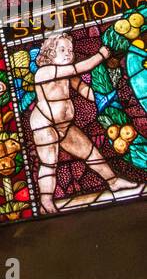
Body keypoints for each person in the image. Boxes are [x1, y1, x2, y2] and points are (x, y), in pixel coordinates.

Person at [29, 33, 130, 213]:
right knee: (49, 163)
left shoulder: (66, 73)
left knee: (90, 152)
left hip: (65, 126)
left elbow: (83, 89)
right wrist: (101, 55)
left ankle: (114, 182)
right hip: (45, 125)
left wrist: (104, 99)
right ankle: (46, 202)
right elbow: (79, 68)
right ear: (50, 53)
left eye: (70, 50)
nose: (68, 53)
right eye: (62, 50)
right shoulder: (46, 71)